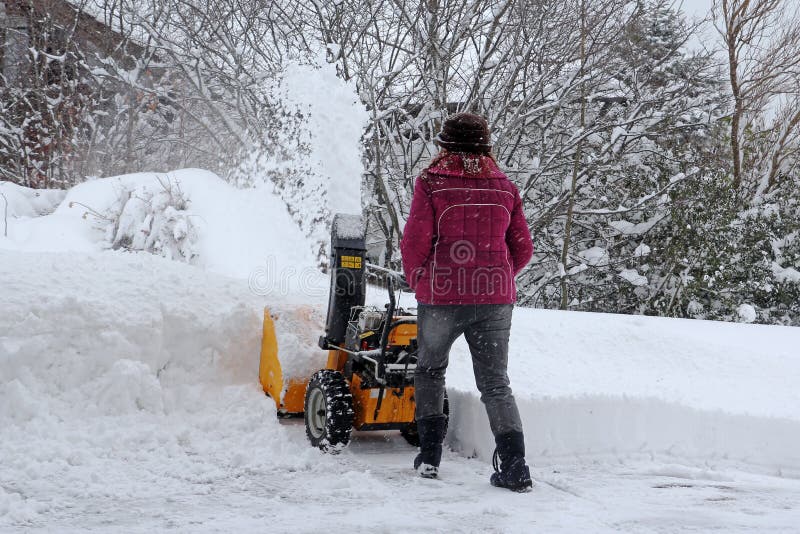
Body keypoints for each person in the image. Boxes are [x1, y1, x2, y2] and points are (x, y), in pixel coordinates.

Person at [400, 112, 534, 492]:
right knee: (495, 384)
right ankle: (515, 466)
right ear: (486, 146)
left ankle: (429, 457)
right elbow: (523, 248)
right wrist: (498, 276)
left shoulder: (431, 183)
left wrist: (420, 280)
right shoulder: (505, 187)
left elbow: (414, 243)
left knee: (429, 371)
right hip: (494, 300)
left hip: (442, 295)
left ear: (444, 145)